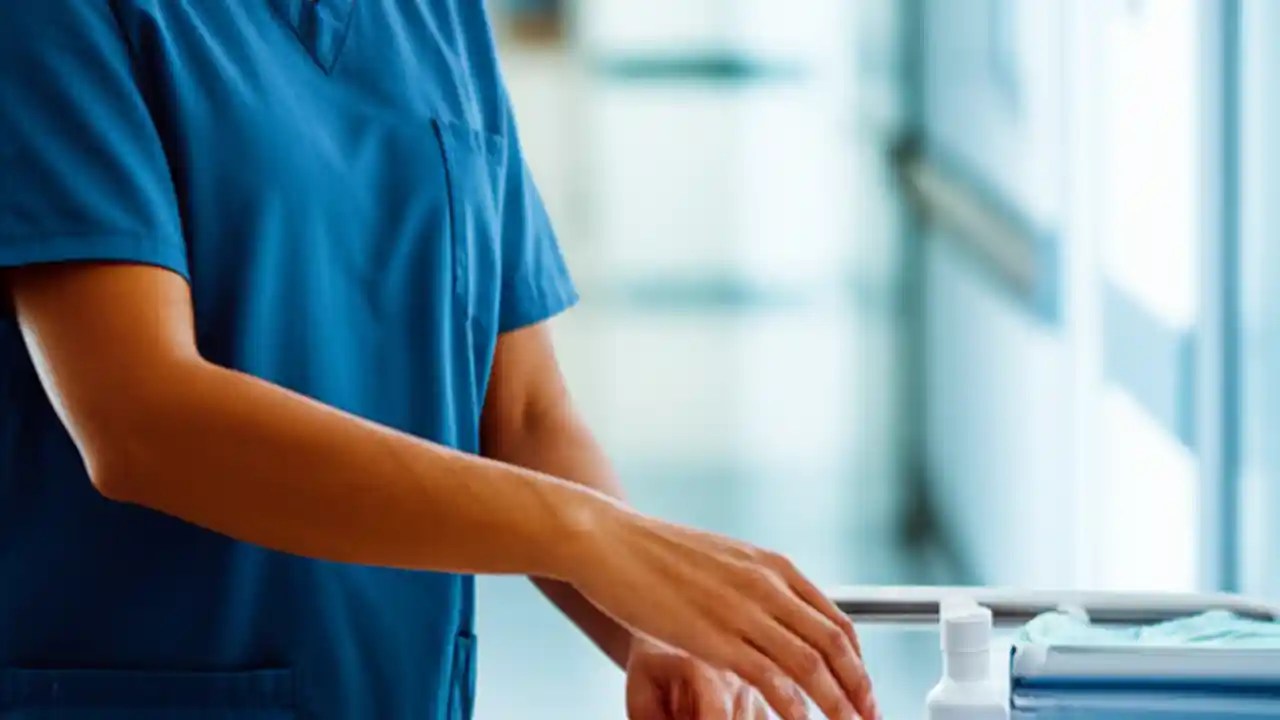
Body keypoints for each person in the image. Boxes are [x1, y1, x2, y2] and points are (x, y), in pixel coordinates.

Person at [0, 3, 877, 719]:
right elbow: (141, 420)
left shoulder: (437, 16)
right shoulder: (57, 17)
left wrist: (649, 625)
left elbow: (524, 412)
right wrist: (593, 539)